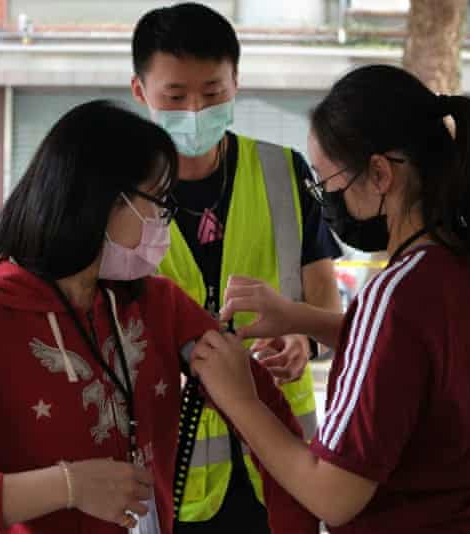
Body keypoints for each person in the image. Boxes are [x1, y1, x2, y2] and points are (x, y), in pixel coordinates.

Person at [0, 100, 317, 534]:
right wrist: (67, 486)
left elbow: (264, 404)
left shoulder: (156, 304)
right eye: (158, 201)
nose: (163, 221)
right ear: (101, 200)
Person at [190, 64, 470, 533]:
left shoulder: (397, 294)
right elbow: (420, 357)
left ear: (379, 174)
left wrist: (240, 400)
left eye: (328, 183)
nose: (329, 201)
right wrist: (299, 317)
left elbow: (333, 495)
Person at [130, 4, 341, 532]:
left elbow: (324, 295)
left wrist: (303, 340)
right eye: (175, 96)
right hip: (171, 472)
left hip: (282, 463)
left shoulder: (284, 171)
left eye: (213, 93)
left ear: (236, 84)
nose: (196, 110)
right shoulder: (116, 192)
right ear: (139, 91)